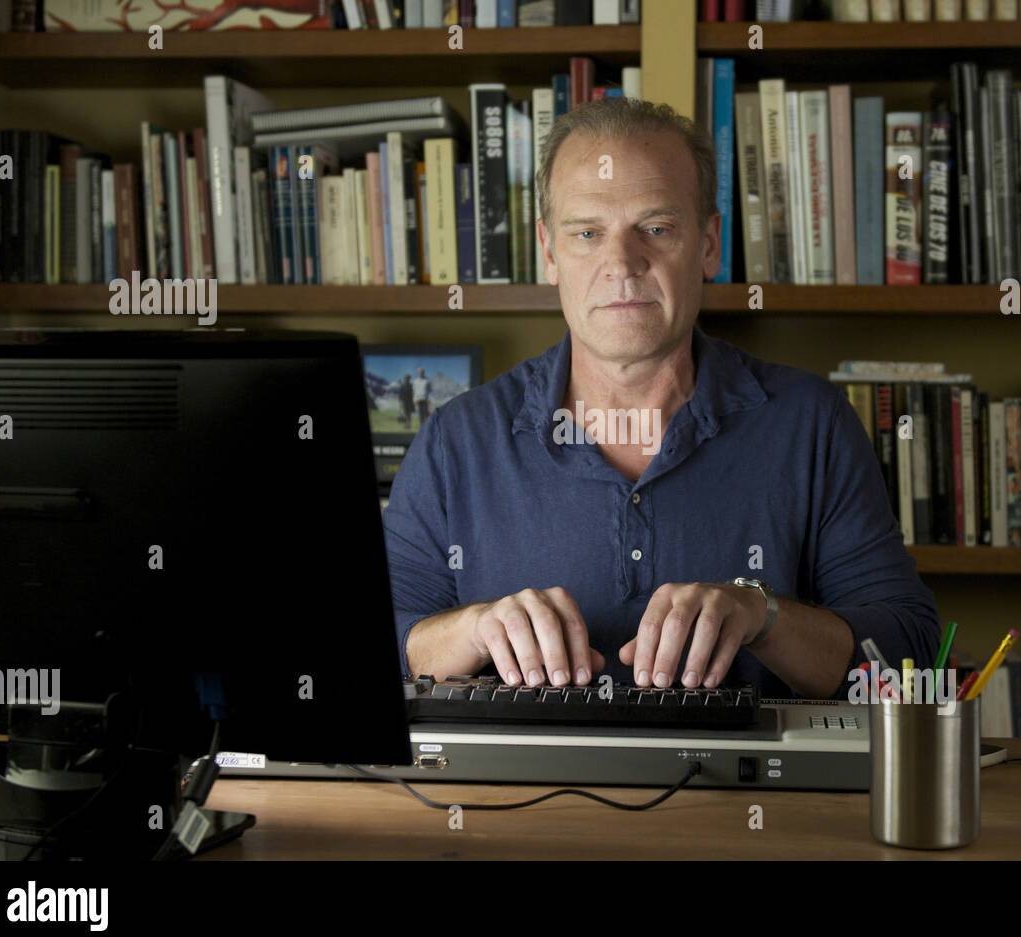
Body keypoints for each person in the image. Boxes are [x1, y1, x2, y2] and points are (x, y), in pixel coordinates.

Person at [384, 97, 941, 700]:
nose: (622, 264)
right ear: (549, 251)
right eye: (587, 233)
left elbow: (905, 659)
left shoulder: (813, 425)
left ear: (707, 244)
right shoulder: (454, 442)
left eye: (655, 228)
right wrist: (473, 630)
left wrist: (762, 615)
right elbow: (364, 648)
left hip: (752, 794)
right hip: (513, 794)